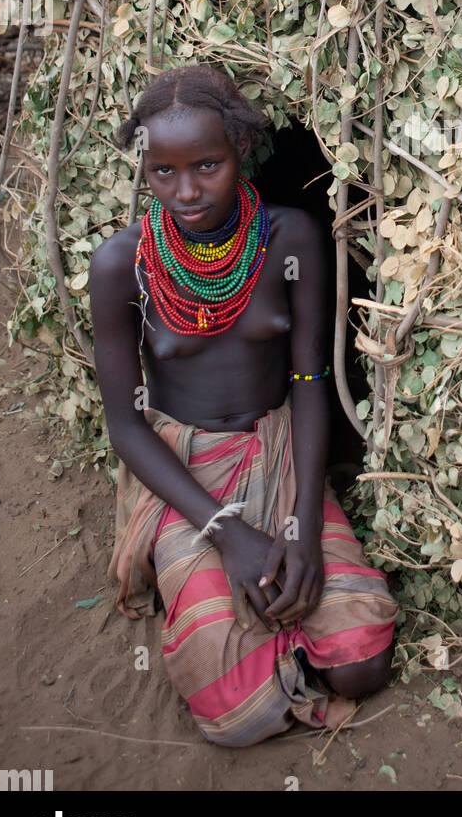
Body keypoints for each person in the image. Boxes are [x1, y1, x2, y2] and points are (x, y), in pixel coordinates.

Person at [88, 63, 397, 746]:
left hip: (281, 444)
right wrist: (227, 533)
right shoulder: (122, 264)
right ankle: (216, 594)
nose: (188, 191)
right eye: (163, 172)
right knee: (240, 716)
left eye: (207, 165)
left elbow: (311, 381)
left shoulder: (289, 238)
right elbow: (124, 421)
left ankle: (283, 616)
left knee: (362, 665)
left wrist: (302, 528)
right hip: (183, 473)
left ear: (241, 152)